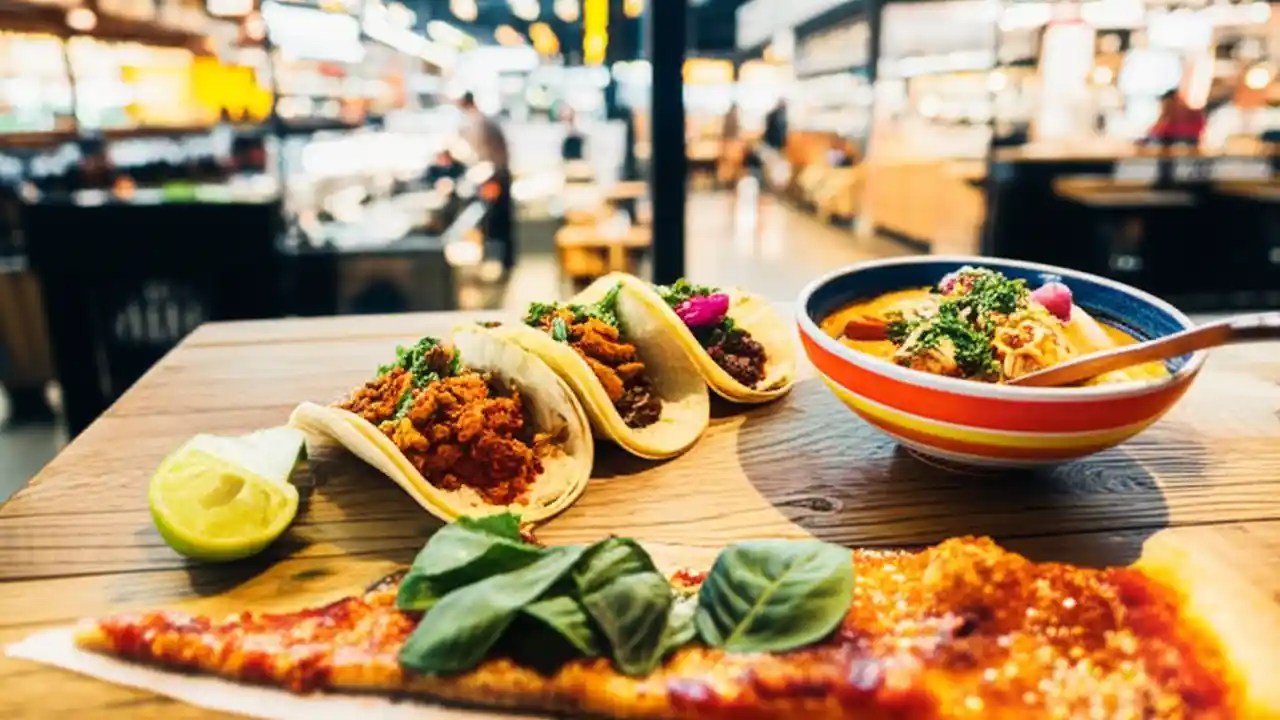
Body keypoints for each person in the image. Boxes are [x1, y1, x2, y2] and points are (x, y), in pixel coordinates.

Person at [457, 92, 515, 271]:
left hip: (495, 178)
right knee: (497, 223)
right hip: (495, 176)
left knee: (497, 223)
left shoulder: (481, 123)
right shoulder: (482, 122)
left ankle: (503, 262)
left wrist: (491, 180)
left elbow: (490, 156)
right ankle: (502, 261)